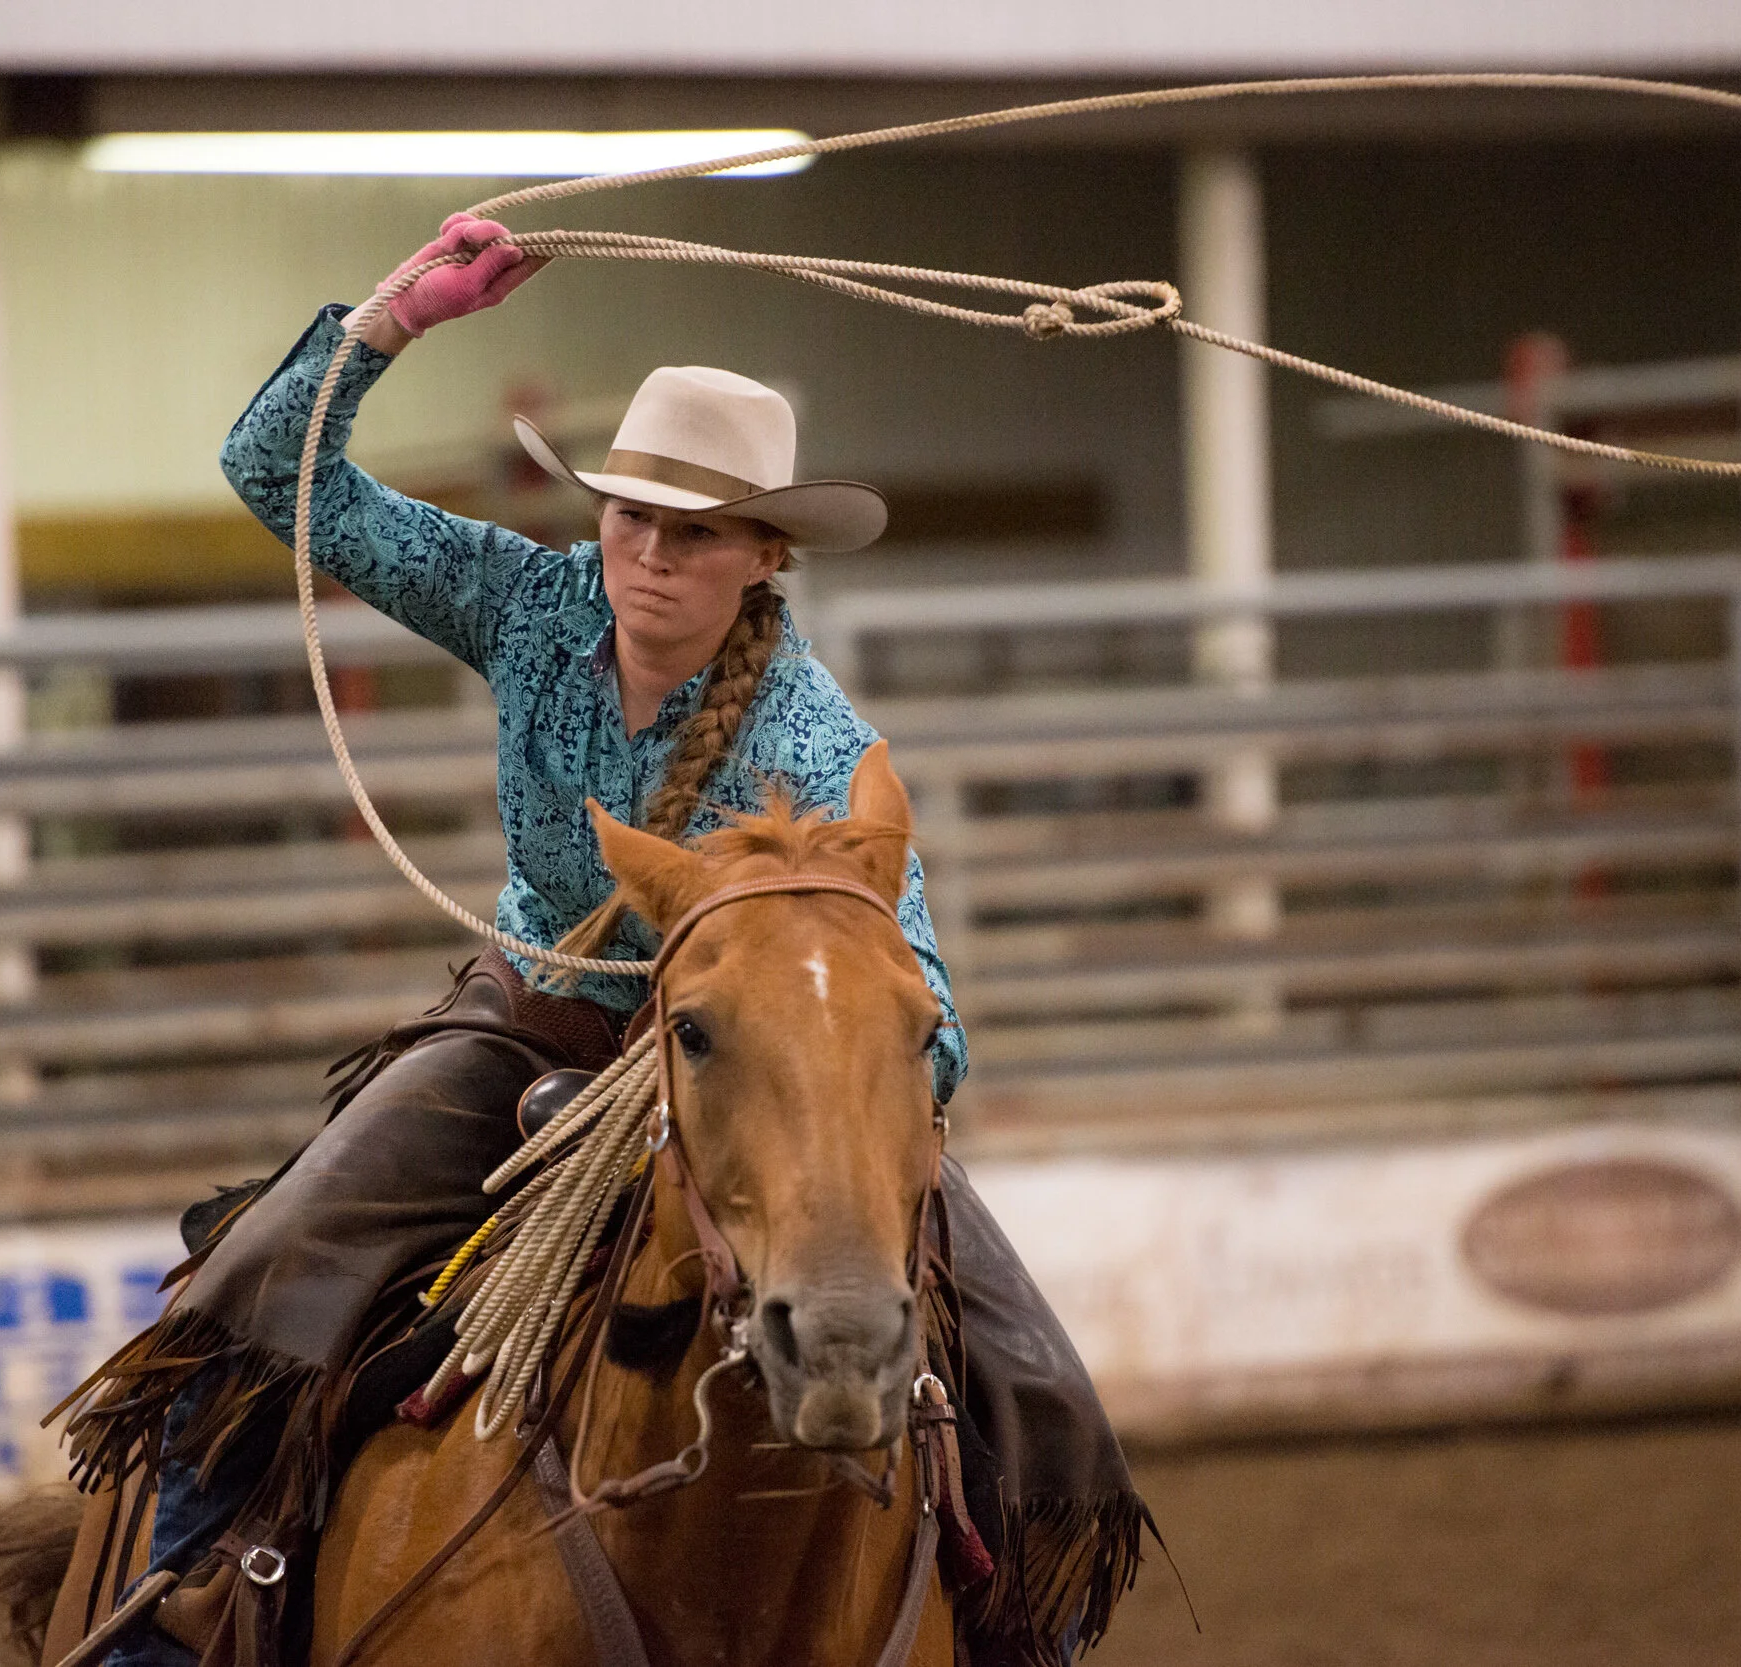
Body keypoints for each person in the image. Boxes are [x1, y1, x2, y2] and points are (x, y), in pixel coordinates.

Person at [64, 214, 1140, 1667]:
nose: (649, 554)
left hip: (759, 1071)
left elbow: (917, 997)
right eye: (632, 515)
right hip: (526, 1021)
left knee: (1044, 1402)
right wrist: (393, 318)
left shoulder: (815, 744)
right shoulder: (527, 602)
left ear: (763, 555)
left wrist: (853, 1072)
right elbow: (278, 473)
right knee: (265, 1270)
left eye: (694, 532)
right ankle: (178, 1616)